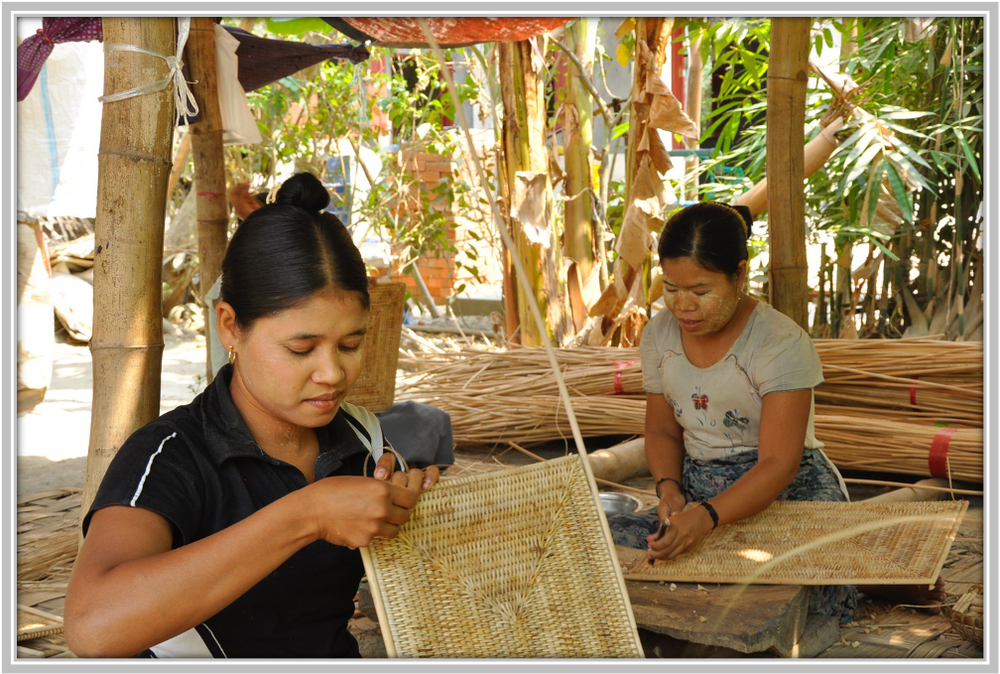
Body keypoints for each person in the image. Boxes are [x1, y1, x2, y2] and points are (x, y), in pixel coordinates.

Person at [64, 173, 440, 658]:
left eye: (351, 344)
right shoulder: (170, 456)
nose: (331, 373)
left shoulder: (361, 436)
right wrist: (308, 514)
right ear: (230, 328)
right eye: (300, 349)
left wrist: (413, 511)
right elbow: (92, 627)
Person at [606, 201, 944, 624]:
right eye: (671, 289)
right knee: (603, 549)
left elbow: (779, 464)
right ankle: (857, 568)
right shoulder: (659, 335)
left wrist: (707, 518)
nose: (683, 306)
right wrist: (670, 490)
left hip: (788, 493)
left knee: (783, 593)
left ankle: (865, 573)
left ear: (740, 274)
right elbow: (660, 431)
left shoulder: (779, 343)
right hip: (698, 490)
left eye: (701, 291)